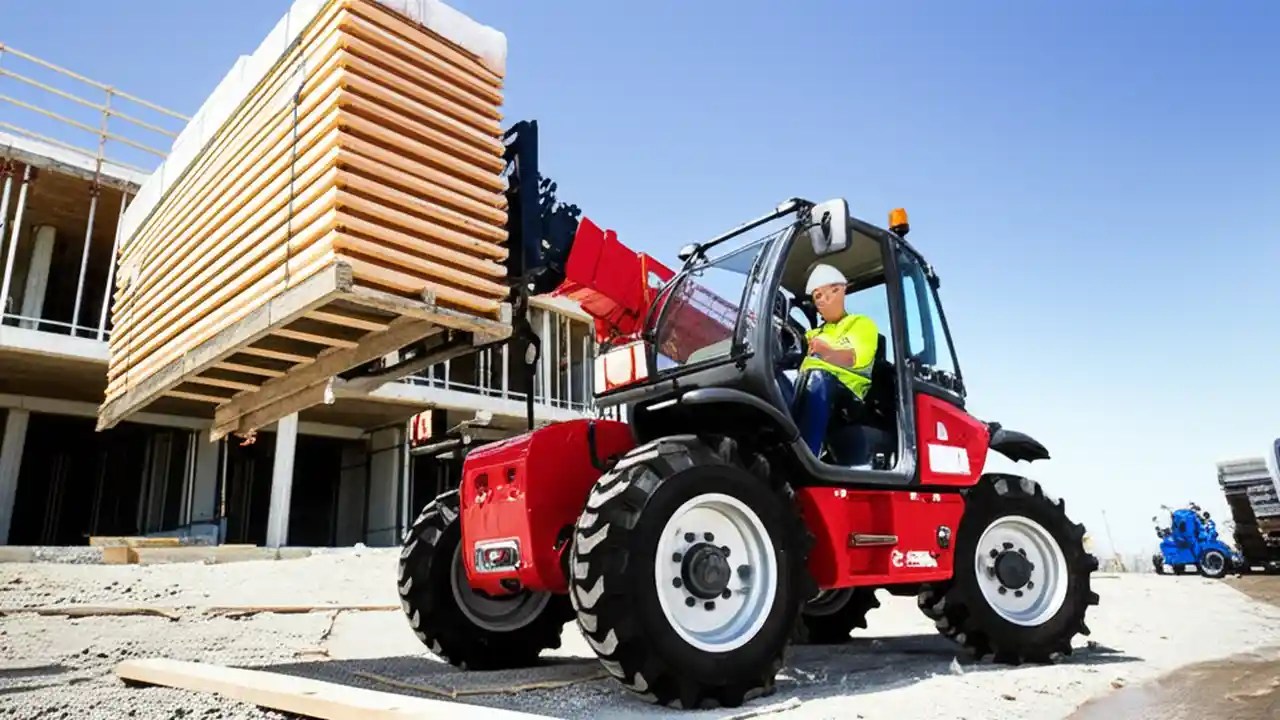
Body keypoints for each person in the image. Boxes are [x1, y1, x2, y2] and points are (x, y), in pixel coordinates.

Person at [792, 263, 879, 464]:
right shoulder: (816, 333)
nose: (820, 302)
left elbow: (854, 359)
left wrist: (828, 352)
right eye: (817, 298)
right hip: (811, 386)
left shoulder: (860, 324)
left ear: (839, 290)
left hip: (848, 395)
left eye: (824, 295)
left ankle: (805, 460)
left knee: (817, 378)